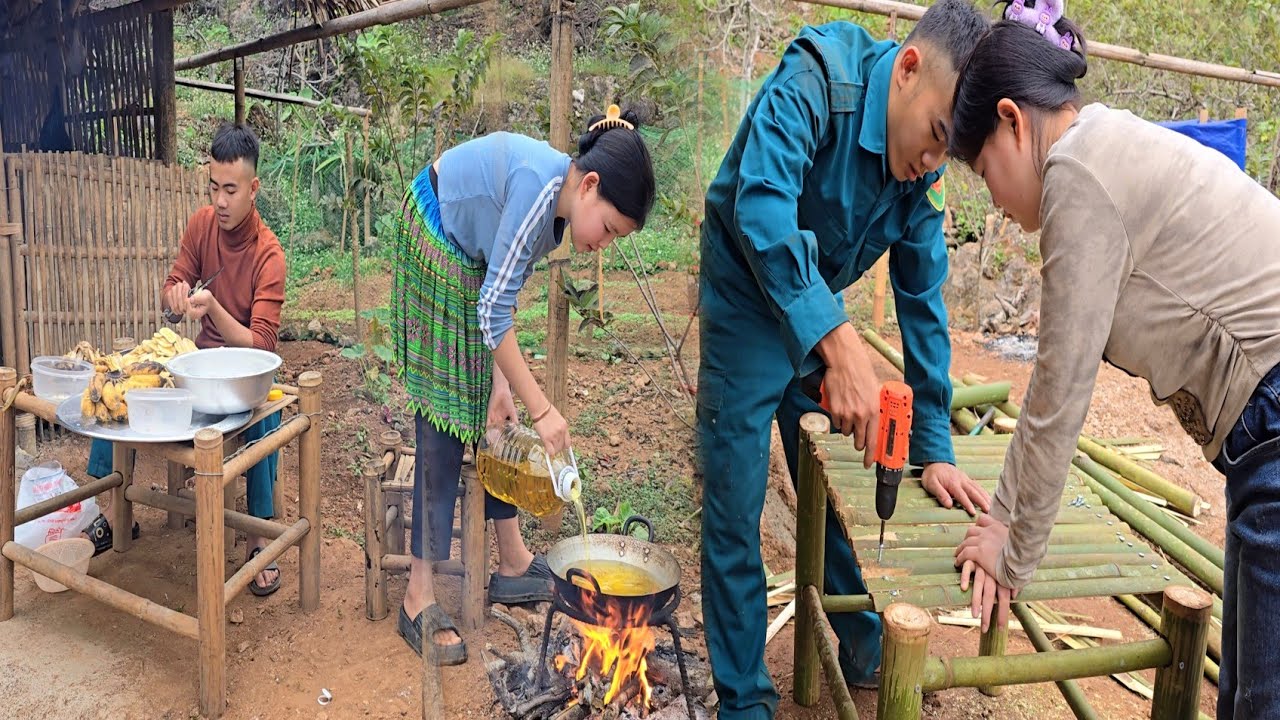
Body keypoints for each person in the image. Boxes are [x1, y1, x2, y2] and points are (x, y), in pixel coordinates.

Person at [946, 8, 1280, 719]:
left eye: (984, 172)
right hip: (1264, 430)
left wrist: (1012, 553)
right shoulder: (1104, 141)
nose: (996, 203)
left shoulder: (1079, 174)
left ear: (1012, 120)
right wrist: (1002, 519)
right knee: (1247, 698)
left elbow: (1059, 391)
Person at [696, 1, 992, 715]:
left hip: (810, 303)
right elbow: (760, 208)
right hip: (744, 300)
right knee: (734, 509)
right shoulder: (816, 80)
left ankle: (860, 640)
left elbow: (923, 300)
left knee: (824, 484)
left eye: (947, 154)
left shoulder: (921, 176)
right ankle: (744, 700)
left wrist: (934, 446)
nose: (931, 161)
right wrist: (839, 340)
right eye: (936, 136)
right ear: (909, 71)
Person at [391, 107, 655, 664]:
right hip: (435, 234)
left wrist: (502, 388)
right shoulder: (540, 190)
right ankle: (418, 595)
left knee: (494, 423)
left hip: (470, 261)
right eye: (607, 229)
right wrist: (542, 408)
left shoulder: (556, 213)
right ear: (589, 186)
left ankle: (511, 561)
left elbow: (499, 295)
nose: (603, 244)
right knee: (444, 418)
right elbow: (493, 309)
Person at [86, 123, 287, 597]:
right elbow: (172, 284)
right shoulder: (201, 226)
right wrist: (175, 295)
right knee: (128, 384)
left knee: (260, 417)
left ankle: (256, 537)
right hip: (195, 364)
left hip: (243, 376)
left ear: (253, 189)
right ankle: (116, 513)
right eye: (214, 187)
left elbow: (261, 348)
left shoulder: (269, 254)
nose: (220, 201)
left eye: (231, 190)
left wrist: (214, 306)